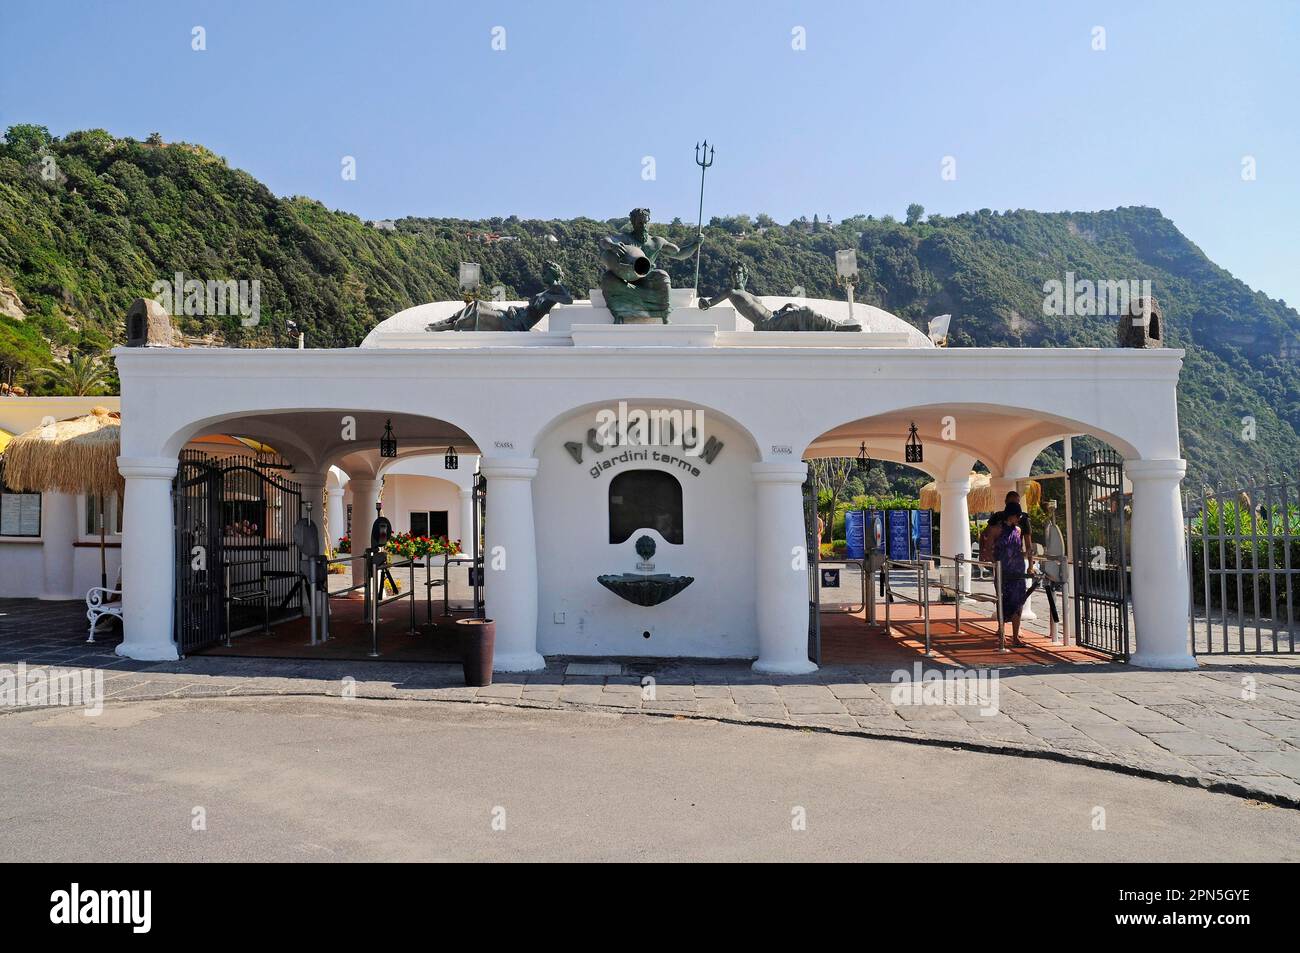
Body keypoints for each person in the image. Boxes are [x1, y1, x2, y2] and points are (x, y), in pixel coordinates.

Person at [995, 502, 1031, 646]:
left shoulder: (1018, 530)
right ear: (1012, 515)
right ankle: (1002, 635)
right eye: (1018, 515)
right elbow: (992, 547)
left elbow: (1018, 549)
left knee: (1018, 603)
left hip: (1017, 570)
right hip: (1003, 570)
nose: (1019, 518)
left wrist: (1027, 555)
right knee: (1003, 602)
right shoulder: (998, 529)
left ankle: (1015, 636)